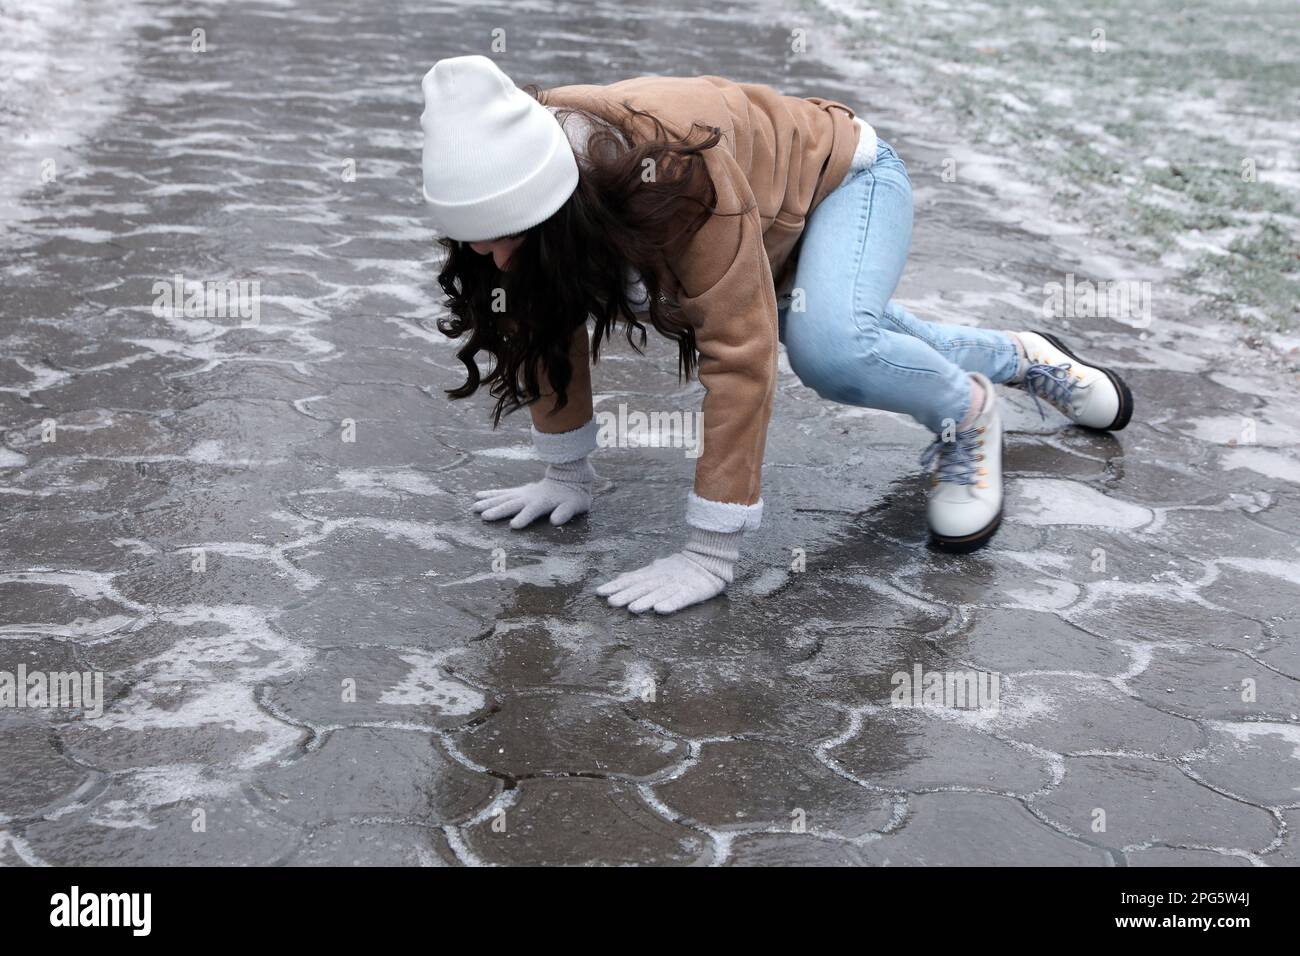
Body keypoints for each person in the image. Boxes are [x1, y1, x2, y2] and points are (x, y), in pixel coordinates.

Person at [420, 55, 1134, 615]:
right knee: (856, 333)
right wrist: (564, 472)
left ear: (563, 205)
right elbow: (542, 318)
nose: (497, 258)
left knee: (830, 346)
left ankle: (968, 417)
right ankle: (1022, 356)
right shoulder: (502, 159)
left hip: (844, 177)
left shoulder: (673, 177)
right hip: (763, 214)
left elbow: (739, 356)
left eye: (511, 237)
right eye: (478, 242)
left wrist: (709, 552)